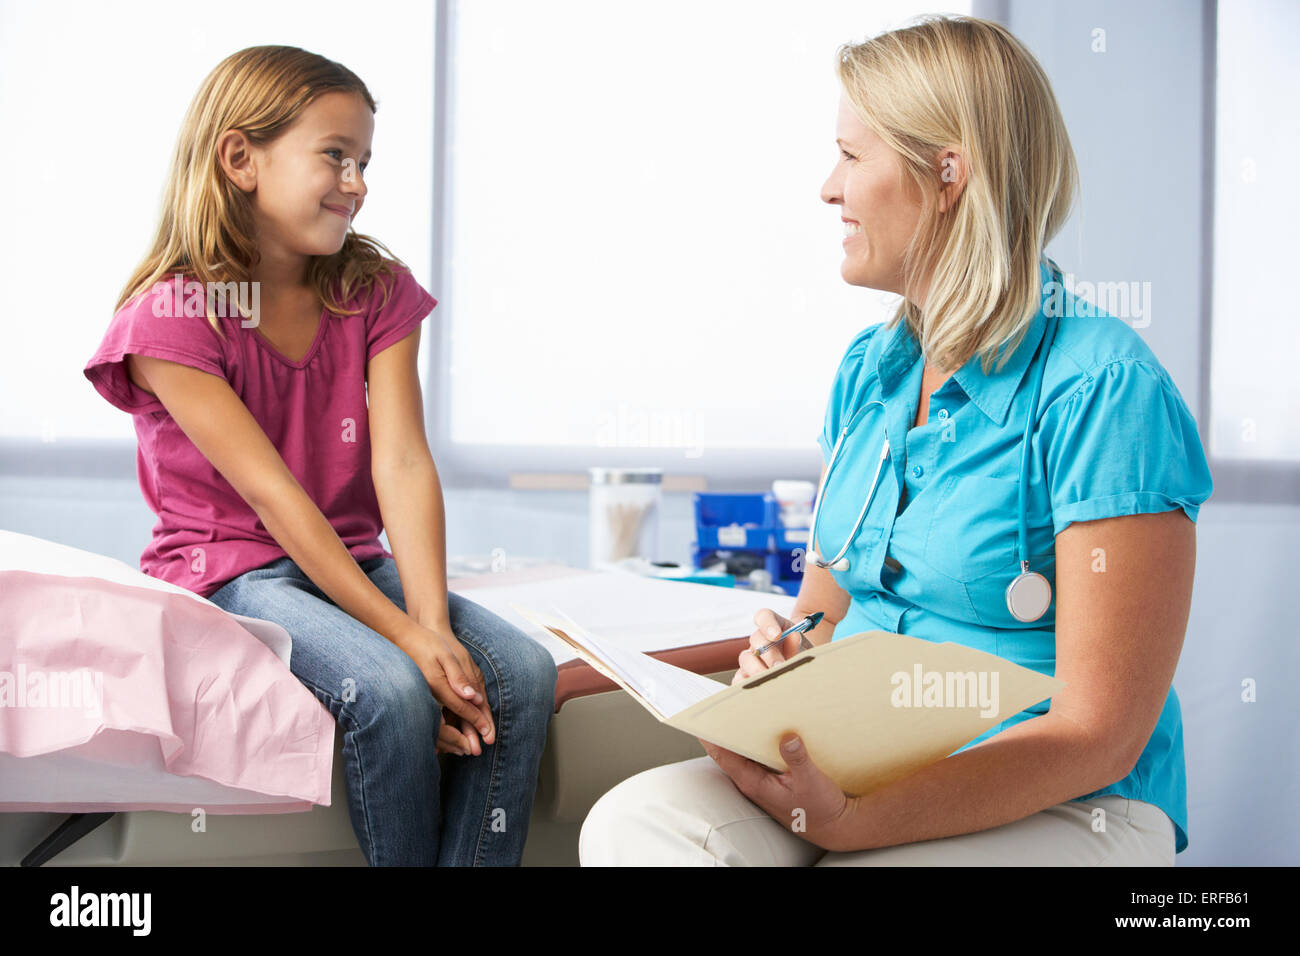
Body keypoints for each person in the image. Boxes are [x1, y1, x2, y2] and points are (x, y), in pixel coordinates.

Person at [579, 15, 1212, 866]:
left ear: (946, 173)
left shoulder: (1105, 390)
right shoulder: (870, 372)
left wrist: (854, 824)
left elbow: (1098, 734)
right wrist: (785, 656)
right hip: (866, 769)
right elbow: (823, 612)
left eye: (850, 155)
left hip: (1064, 799)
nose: (827, 188)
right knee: (635, 824)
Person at [83, 45, 556, 866]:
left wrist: (435, 624)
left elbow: (402, 461)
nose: (358, 182)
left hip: (351, 559)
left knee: (521, 670)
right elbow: (274, 498)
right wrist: (410, 644)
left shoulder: (372, 289)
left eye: (365, 161)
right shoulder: (173, 315)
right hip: (232, 572)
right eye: (335, 156)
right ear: (240, 158)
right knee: (390, 690)